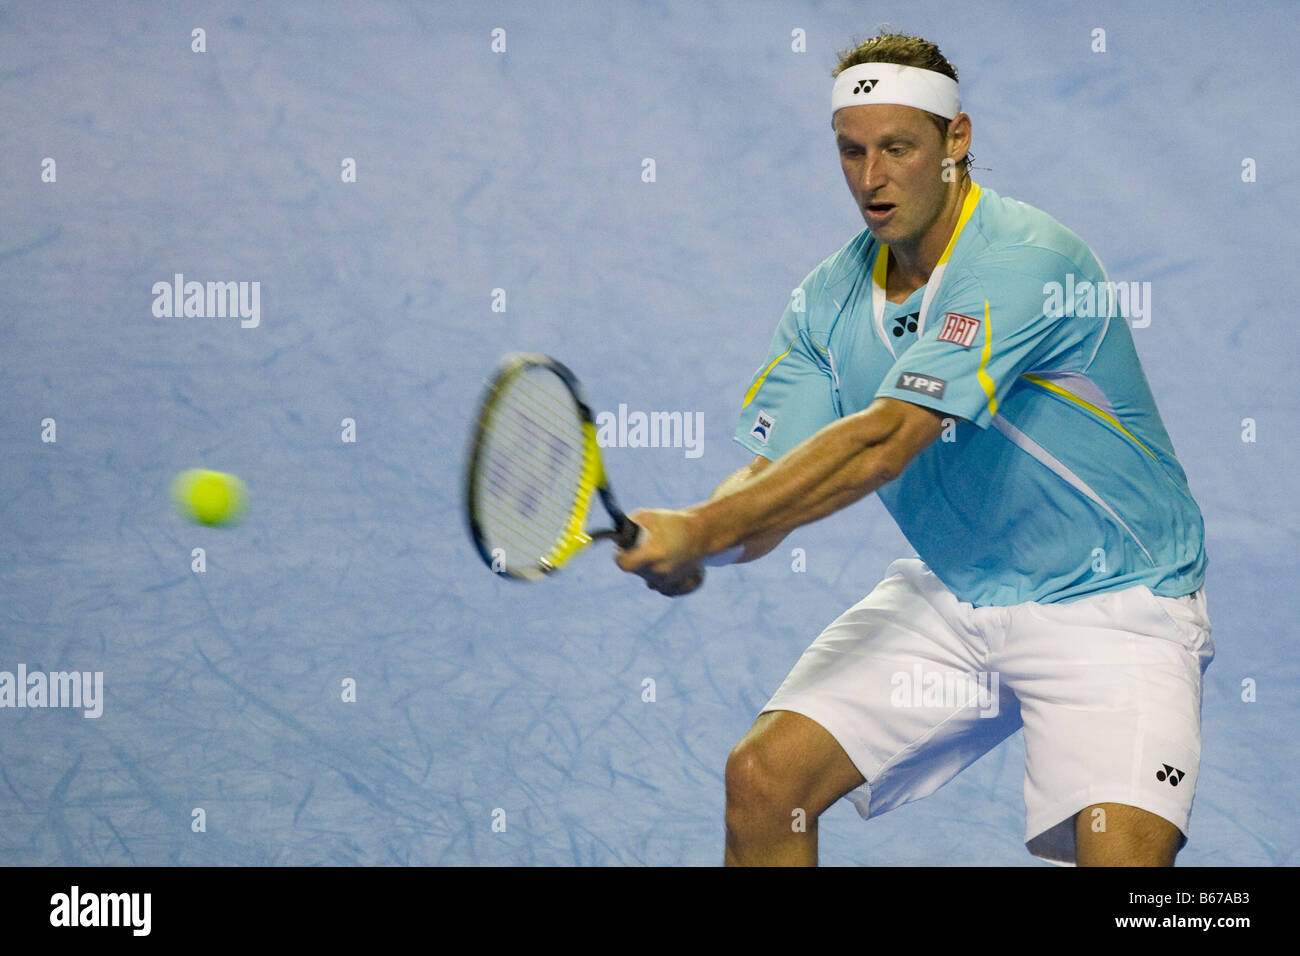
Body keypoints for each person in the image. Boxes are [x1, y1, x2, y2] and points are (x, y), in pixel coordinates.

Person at [614, 32, 1212, 867]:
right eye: (852, 152)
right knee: (764, 780)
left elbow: (886, 441)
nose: (871, 177)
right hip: (963, 593)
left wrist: (703, 531)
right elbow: (774, 479)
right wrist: (707, 536)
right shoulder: (825, 299)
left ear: (955, 141)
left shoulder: (1026, 259)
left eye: (897, 148)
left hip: (1116, 605)